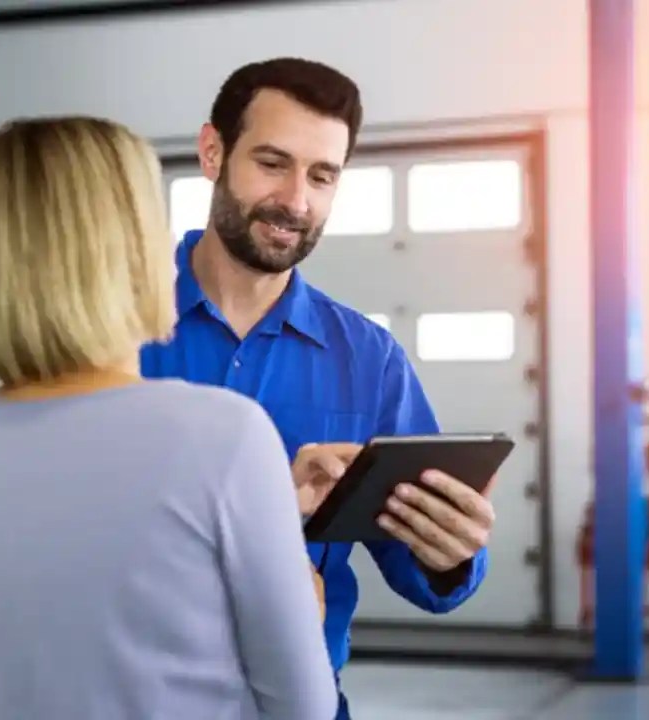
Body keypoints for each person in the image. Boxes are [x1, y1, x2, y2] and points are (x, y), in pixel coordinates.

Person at [0, 116, 338, 720]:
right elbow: (301, 708)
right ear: (132, 251)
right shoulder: (227, 436)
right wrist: (297, 589)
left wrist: (261, 510)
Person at [141, 57, 498, 717]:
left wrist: (450, 552)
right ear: (213, 152)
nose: (296, 201)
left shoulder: (368, 361)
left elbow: (425, 576)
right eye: (273, 163)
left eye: (322, 175)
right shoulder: (114, 333)